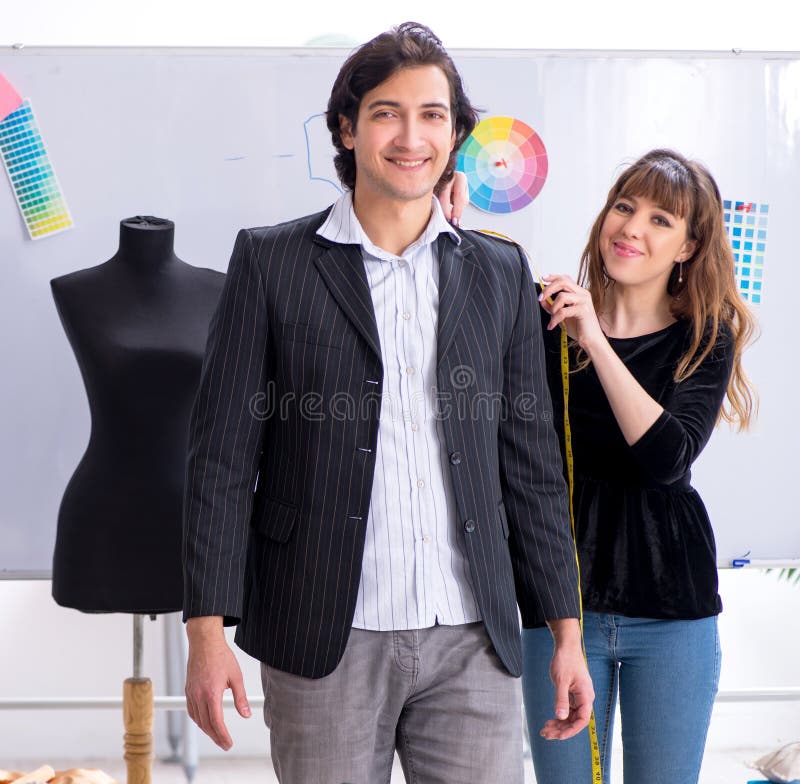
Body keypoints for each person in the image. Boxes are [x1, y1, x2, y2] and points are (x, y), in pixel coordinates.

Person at [182, 22, 593, 784]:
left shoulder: (500, 271)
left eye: (433, 114)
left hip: (473, 638)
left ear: (455, 132)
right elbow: (221, 461)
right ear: (347, 126)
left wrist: (565, 632)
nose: (412, 136)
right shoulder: (271, 261)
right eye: (386, 112)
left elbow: (532, 468)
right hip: (321, 634)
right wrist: (208, 632)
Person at [442, 148, 757, 783]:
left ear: (689, 247)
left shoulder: (706, 336)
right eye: (624, 206)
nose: (632, 227)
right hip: (561, 610)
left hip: (672, 615)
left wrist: (596, 341)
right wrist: (448, 234)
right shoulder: (543, 317)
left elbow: (666, 458)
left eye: (660, 219)